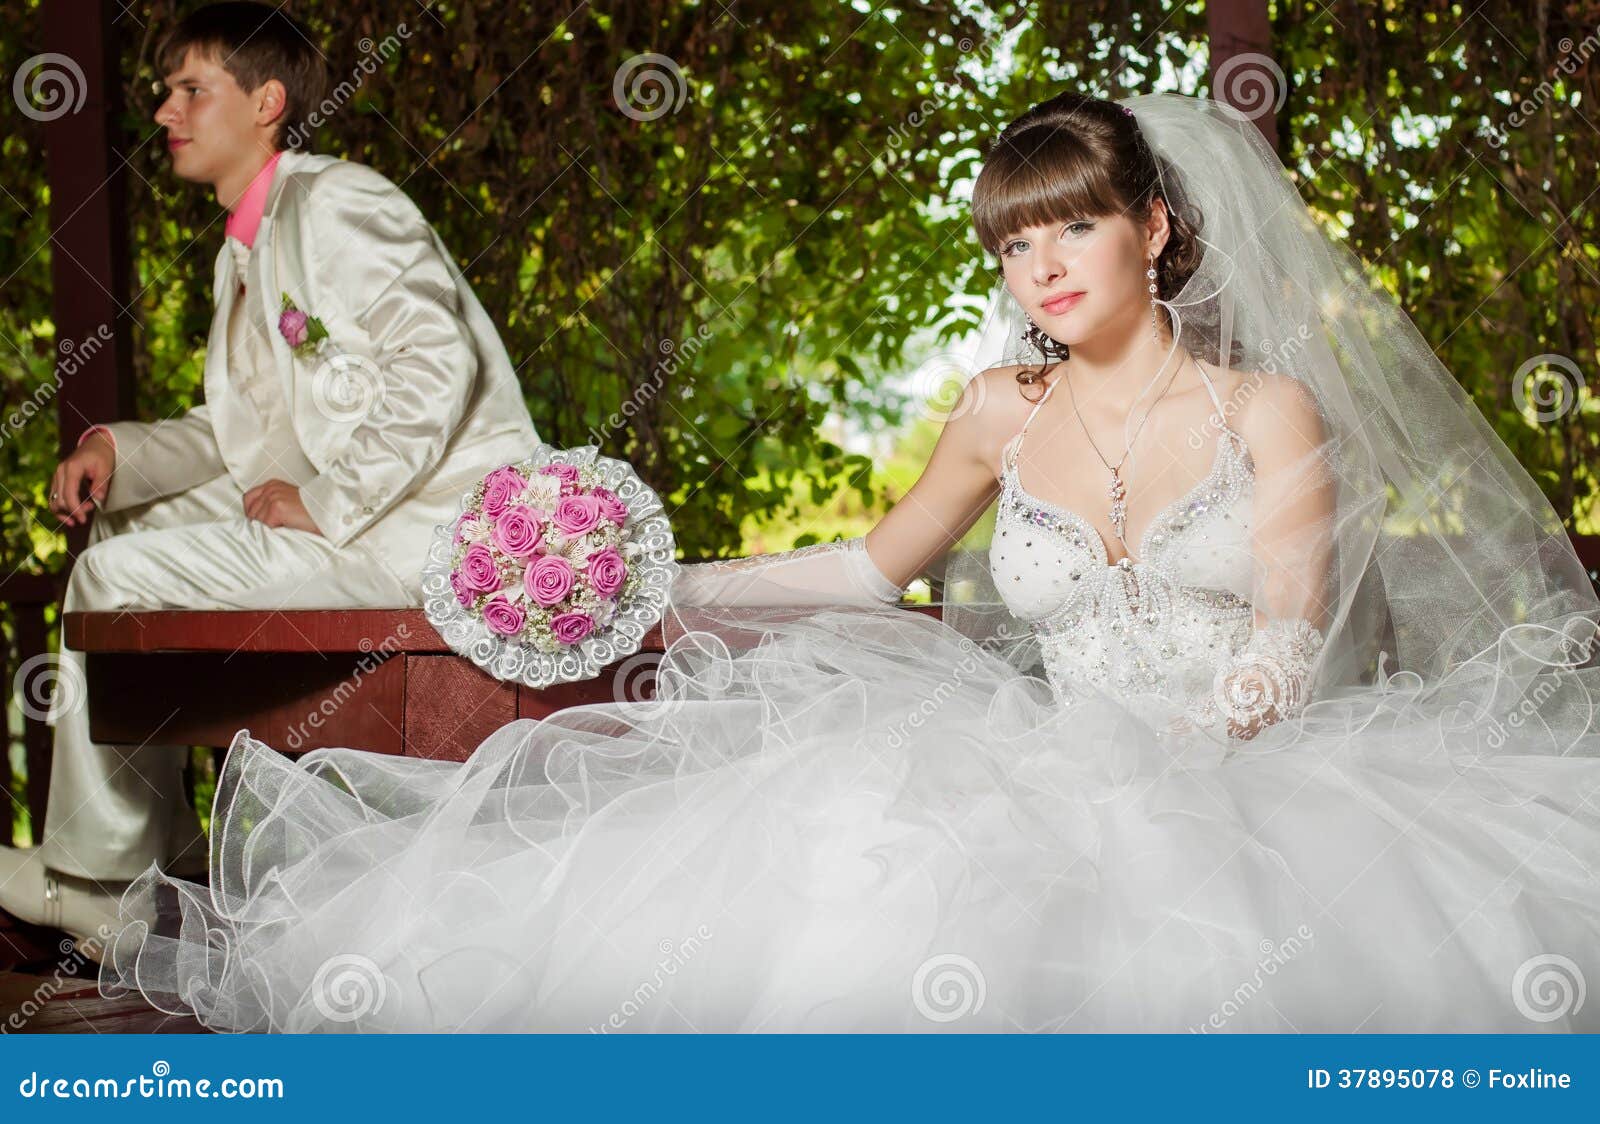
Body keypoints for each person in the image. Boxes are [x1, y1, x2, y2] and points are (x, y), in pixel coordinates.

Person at [99, 92, 1600, 1032]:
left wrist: (1196, 749)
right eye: (1014, 245)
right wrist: (655, 578)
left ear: (1154, 224)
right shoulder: (996, 416)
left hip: (1250, 768)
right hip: (1052, 749)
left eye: (1073, 226)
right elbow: (867, 573)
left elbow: (1287, 623)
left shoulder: (1270, 409)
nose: (1045, 267)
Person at [0, 2, 538, 950]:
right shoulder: (244, 248)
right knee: (130, 523)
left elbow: (434, 366)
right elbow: (242, 432)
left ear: (268, 103)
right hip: (364, 526)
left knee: (115, 576)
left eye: (190, 90)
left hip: (423, 539)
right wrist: (115, 452)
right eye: (165, 91)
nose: (165, 110)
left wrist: (324, 501)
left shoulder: (336, 202)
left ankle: (93, 882)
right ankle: (154, 868)